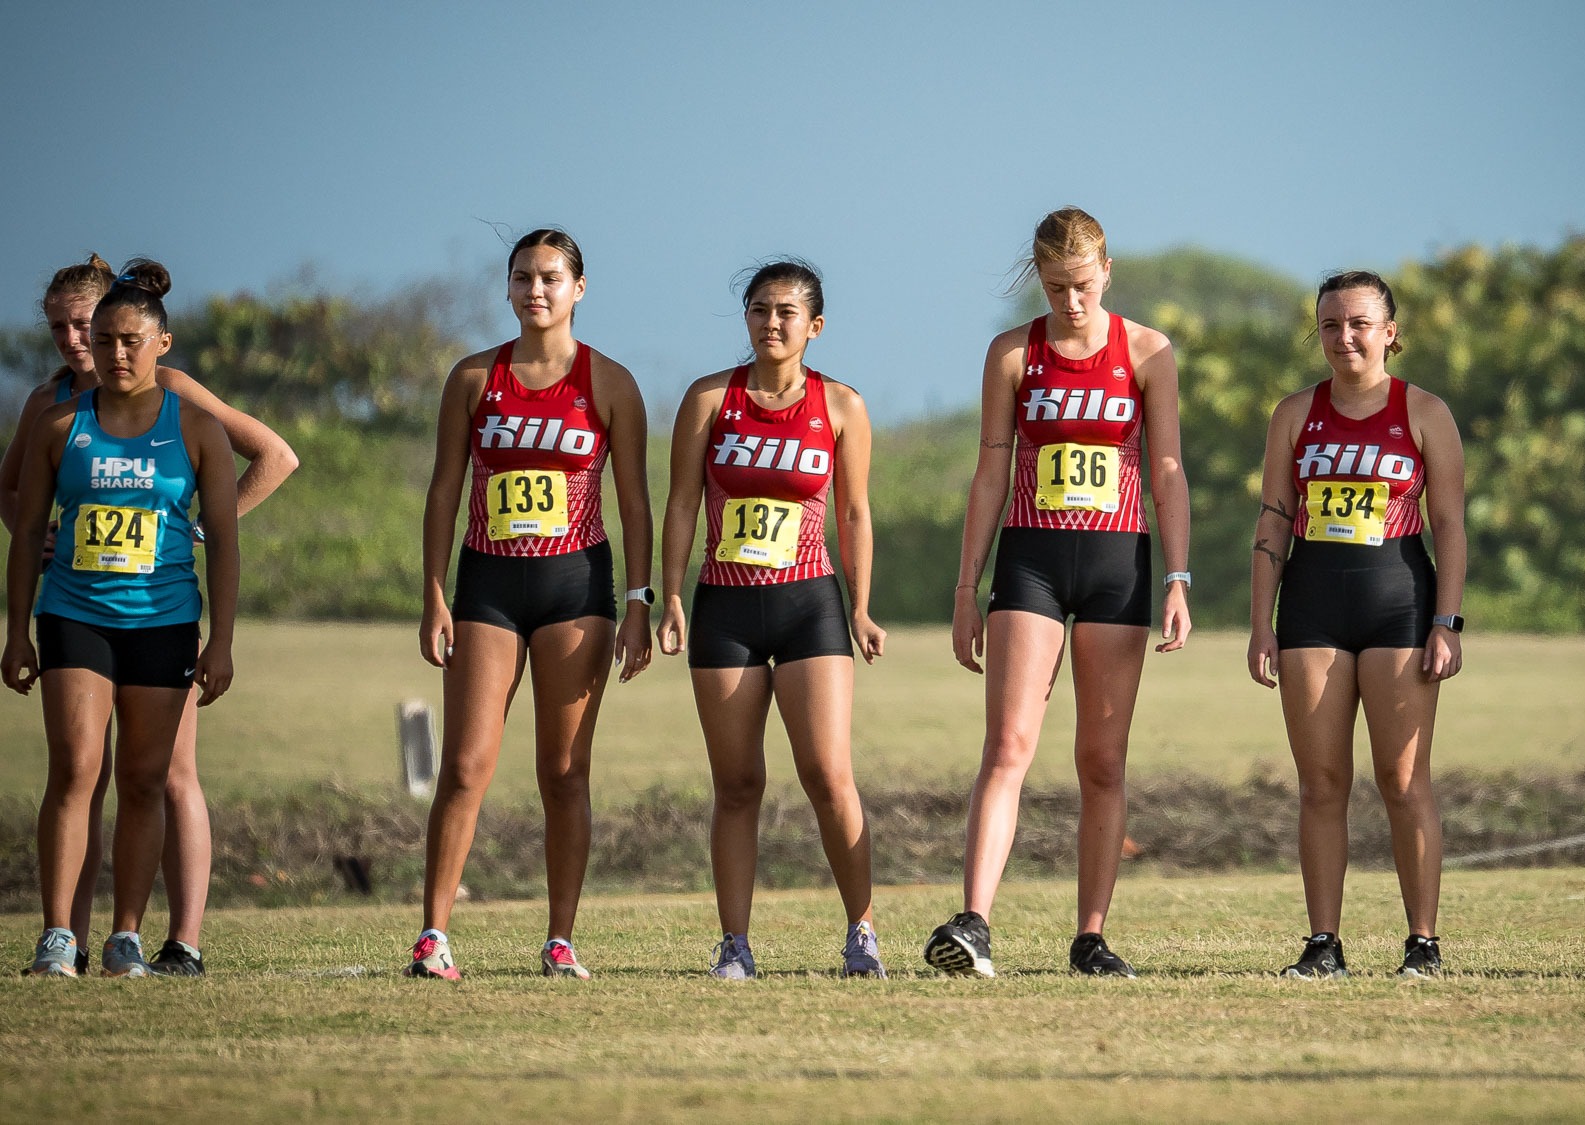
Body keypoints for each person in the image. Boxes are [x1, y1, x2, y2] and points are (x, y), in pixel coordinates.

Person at [0, 253, 297, 977]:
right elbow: (17, 502)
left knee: (156, 777)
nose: (90, 345)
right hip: (75, 613)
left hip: (163, 620)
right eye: (73, 331)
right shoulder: (52, 412)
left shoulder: (183, 407)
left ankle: (155, 937)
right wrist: (19, 616)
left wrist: (194, 551)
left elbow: (251, 492)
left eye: (98, 329)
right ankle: (60, 935)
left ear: (154, 337)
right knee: (76, 769)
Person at [924, 207, 1192, 978]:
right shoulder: (1013, 352)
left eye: (1080, 285)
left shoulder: (1147, 351)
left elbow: (1168, 469)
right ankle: (973, 923)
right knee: (1007, 746)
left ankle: (1090, 937)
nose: (1070, 302)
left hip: (1119, 563)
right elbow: (990, 472)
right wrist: (965, 587)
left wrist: (1177, 578)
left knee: (1101, 759)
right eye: (1053, 287)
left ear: (1106, 270)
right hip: (1031, 561)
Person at [409, 229, 652, 981]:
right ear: (507, 288)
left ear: (580, 287)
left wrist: (640, 601)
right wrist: (434, 593)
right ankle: (432, 935)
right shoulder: (474, 378)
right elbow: (445, 488)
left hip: (576, 589)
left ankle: (560, 939)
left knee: (564, 771)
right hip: (488, 585)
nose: (535, 291)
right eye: (522, 278)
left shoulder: (609, 382)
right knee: (465, 764)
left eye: (550, 278)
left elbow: (637, 503)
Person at [657, 259, 887, 979]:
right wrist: (668, 593)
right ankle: (735, 943)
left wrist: (862, 605)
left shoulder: (841, 405)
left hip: (809, 604)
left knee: (828, 773)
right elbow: (683, 503)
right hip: (725, 605)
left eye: (787, 312)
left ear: (814, 326)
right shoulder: (708, 399)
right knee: (737, 783)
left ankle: (862, 932)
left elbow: (853, 511)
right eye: (759, 309)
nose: (772, 322)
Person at [1246, 270, 1467, 979]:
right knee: (1321, 782)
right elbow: (1276, 518)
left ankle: (1423, 943)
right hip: (1311, 606)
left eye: (1360, 323)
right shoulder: (1293, 413)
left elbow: (1450, 526)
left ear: (1390, 332)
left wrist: (1447, 621)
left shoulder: (1425, 411)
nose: (1345, 336)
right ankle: (1323, 944)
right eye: (1332, 325)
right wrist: (1259, 621)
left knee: (1404, 780)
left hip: (1399, 605)